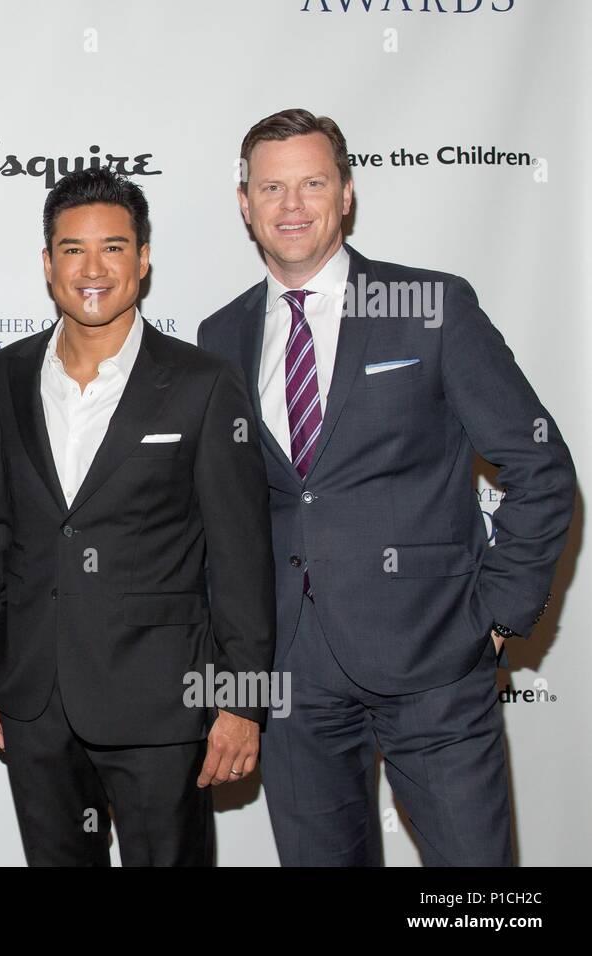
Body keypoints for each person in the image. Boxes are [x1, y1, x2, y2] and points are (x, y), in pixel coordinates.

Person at [198, 108, 577, 866]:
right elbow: (230, 514)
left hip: (435, 661)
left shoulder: (430, 307)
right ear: (244, 203)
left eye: (312, 183)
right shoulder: (221, 336)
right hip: (293, 674)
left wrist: (498, 615)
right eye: (271, 188)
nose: (292, 205)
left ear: (346, 193)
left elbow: (540, 464)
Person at [0, 167, 276, 866]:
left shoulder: (204, 383)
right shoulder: (6, 374)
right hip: (35, 700)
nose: (92, 269)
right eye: (72, 249)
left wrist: (243, 701)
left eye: (112, 247)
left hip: (161, 703)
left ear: (143, 260)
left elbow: (241, 555)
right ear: (48, 263)